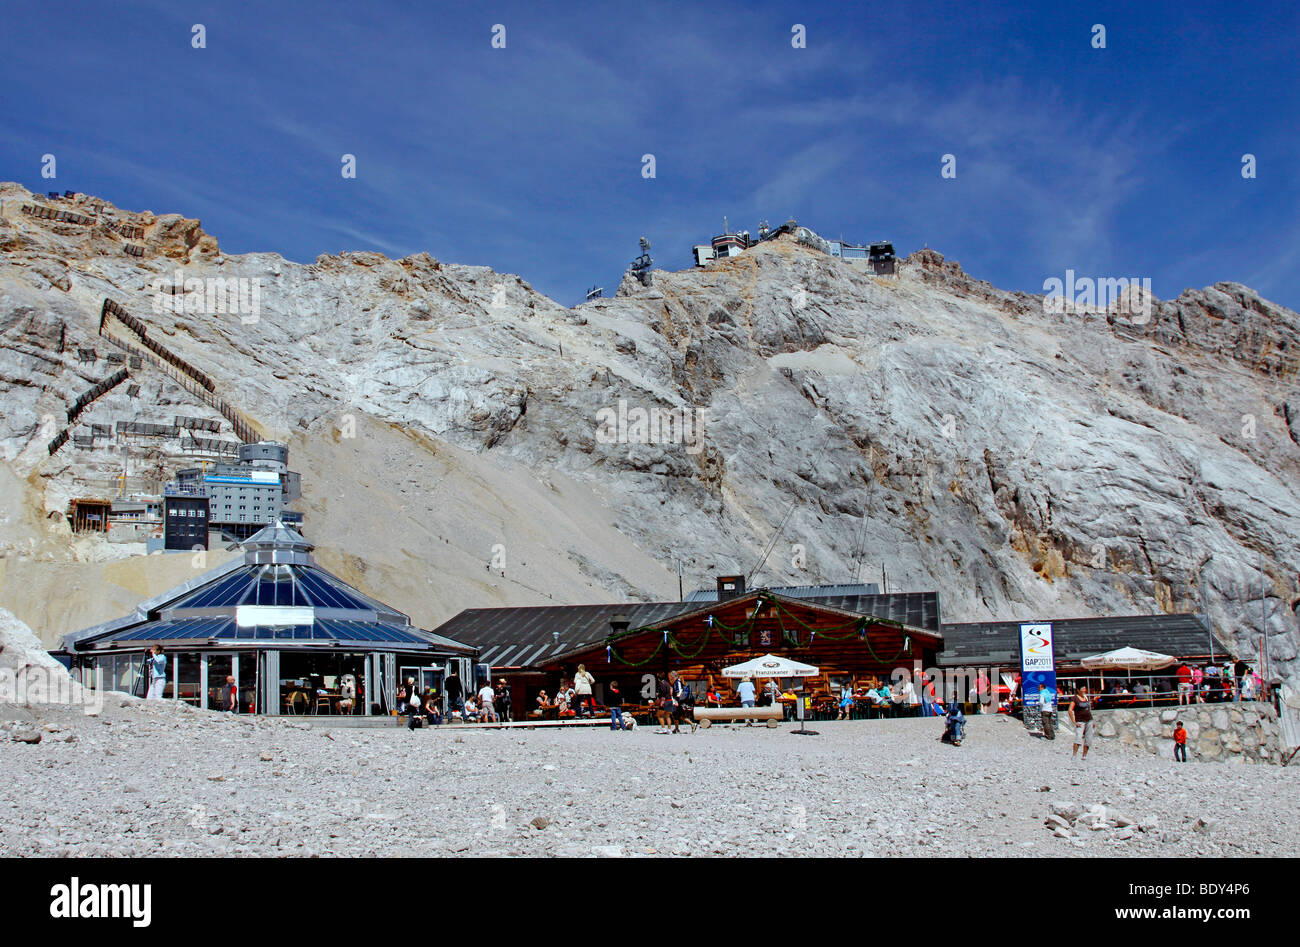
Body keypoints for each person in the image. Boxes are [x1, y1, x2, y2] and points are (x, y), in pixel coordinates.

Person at [1068, 684, 1094, 761]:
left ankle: (1084, 755)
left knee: (1088, 738)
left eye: (1084, 689)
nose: (1084, 690)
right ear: (1078, 690)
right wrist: (1074, 721)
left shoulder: (1086, 697)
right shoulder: (1075, 699)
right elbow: (1070, 710)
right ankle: (1074, 755)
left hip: (1089, 719)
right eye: (1082, 689)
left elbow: (1088, 709)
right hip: (1080, 721)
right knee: (1078, 738)